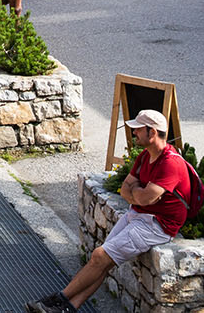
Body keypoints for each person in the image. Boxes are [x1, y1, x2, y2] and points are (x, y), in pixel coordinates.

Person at [29, 109, 192, 313]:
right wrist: (138, 193)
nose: (134, 133)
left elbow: (143, 197)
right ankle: (69, 307)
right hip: (139, 215)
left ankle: (57, 301)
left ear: (152, 133)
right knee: (102, 262)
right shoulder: (145, 156)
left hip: (158, 225)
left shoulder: (170, 163)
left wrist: (137, 192)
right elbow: (126, 189)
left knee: (99, 256)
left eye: (138, 129)